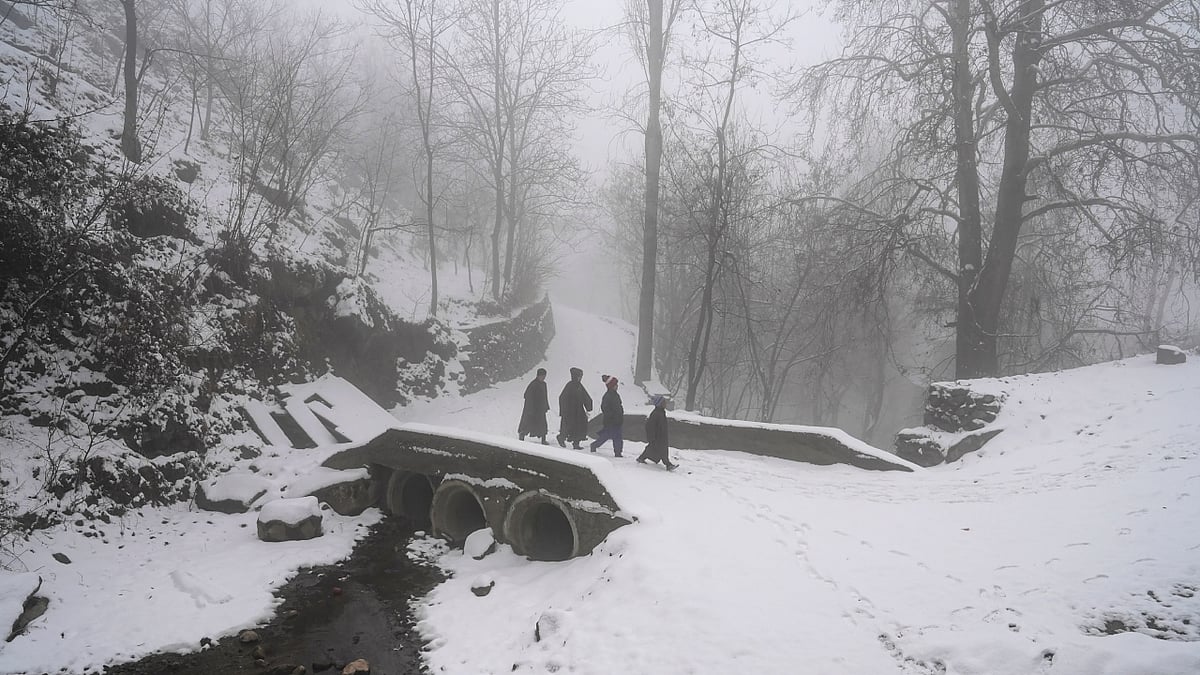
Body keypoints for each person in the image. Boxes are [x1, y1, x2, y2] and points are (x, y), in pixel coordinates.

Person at [556, 367, 592, 449]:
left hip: (579, 411)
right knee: (568, 427)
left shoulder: (579, 386)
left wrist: (588, 405)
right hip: (570, 412)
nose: (580, 378)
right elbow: (562, 398)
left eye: (581, 377)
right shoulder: (569, 386)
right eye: (579, 376)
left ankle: (576, 443)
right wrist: (564, 411)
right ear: (575, 376)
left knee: (580, 426)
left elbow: (585, 396)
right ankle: (561, 438)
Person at [637, 395, 677, 470]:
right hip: (657, 437)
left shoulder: (661, 412)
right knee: (657, 449)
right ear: (660, 404)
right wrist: (652, 438)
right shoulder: (656, 414)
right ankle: (668, 464)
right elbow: (650, 426)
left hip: (661, 436)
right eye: (663, 402)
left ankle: (642, 458)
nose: (665, 404)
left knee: (659, 449)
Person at [589, 375, 624, 457]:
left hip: (617, 421)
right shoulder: (607, 396)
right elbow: (604, 408)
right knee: (606, 436)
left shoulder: (616, 395)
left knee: (618, 437)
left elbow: (619, 406)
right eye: (615, 385)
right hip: (611, 422)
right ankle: (594, 445)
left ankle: (618, 452)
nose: (617, 386)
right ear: (611, 386)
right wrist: (612, 417)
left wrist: (620, 413)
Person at [518, 368, 550, 444]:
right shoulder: (533, 384)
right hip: (532, 408)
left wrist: (546, 406)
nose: (543, 378)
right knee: (528, 423)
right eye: (542, 376)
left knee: (542, 425)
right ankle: (522, 435)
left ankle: (543, 440)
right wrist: (530, 408)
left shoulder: (544, 384)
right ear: (538, 376)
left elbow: (545, 396)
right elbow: (527, 395)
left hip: (540, 409)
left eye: (544, 376)